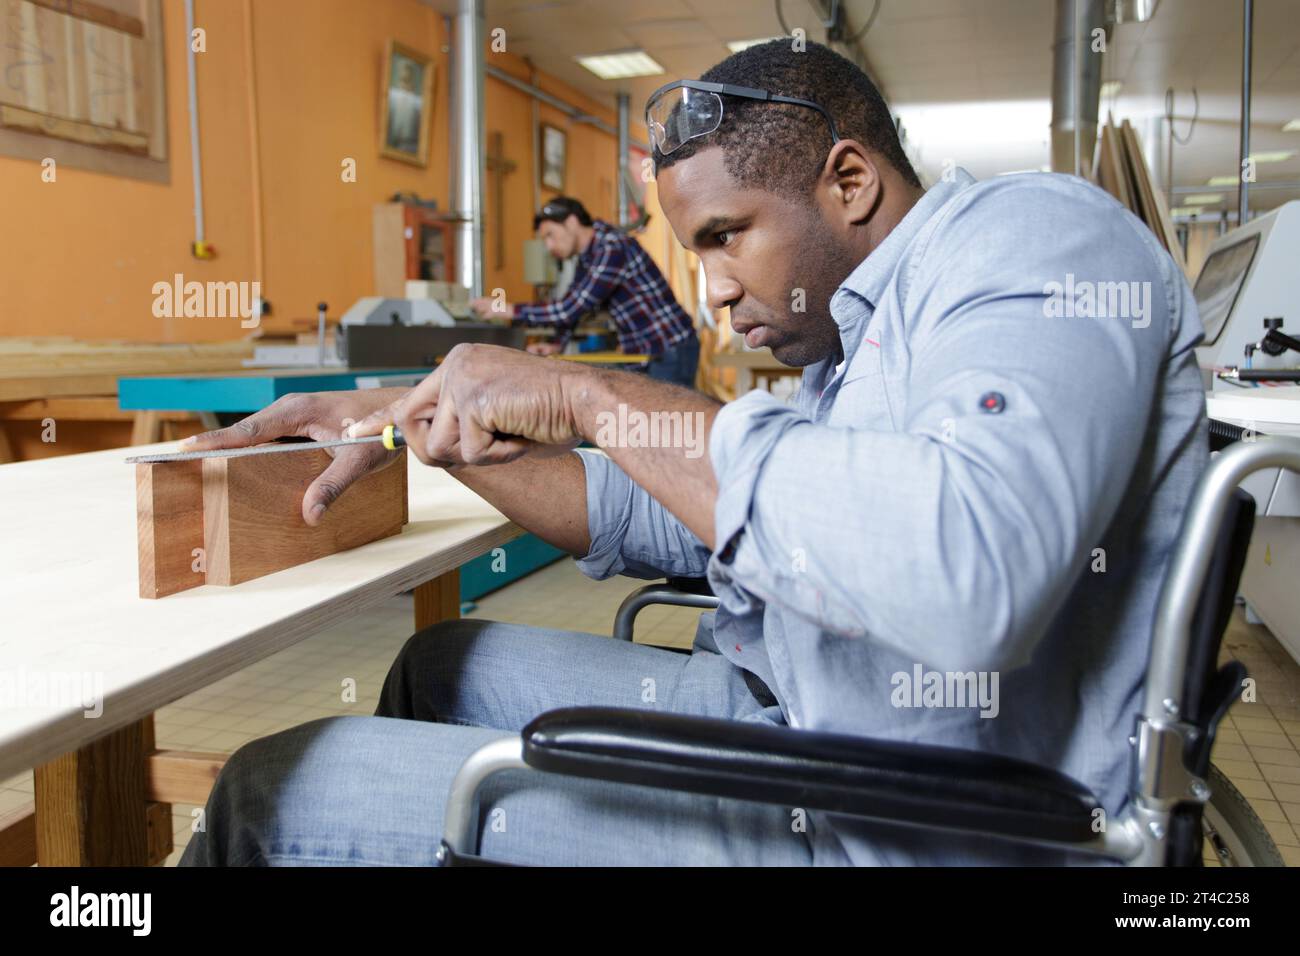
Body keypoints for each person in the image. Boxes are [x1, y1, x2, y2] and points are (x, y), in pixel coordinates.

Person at [179, 39, 1205, 866]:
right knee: (447, 662)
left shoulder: (1035, 238)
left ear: (848, 180)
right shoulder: (856, 337)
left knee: (267, 791)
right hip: (802, 710)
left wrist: (587, 390)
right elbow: (664, 508)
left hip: (888, 815)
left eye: (725, 235)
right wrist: (429, 427)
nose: (710, 288)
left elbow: (967, 571)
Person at [468, 196, 700, 388]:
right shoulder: (588, 257)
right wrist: (557, 345)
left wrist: (506, 309)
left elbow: (569, 309)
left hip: (669, 349)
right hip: (648, 351)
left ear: (570, 222)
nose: (548, 246)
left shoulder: (611, 247)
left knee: (668, 431)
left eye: (550, 235)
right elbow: (574, 305)